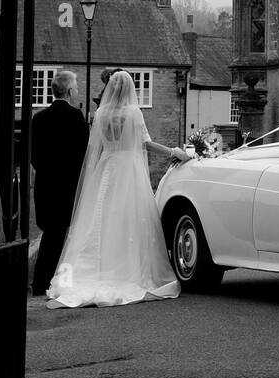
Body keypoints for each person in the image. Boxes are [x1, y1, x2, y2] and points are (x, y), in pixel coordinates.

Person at [47, 69, 189, 307]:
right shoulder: (133, 113)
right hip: (128, 169)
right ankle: (126, 270)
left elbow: (96, 148)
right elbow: (146, 144)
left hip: (107, 167)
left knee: (100, 218)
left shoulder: (101, 112)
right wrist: (173, 152)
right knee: (129, 218)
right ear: (130, 90)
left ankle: (93, 271)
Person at [30, 70, 88, 299]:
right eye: (76, 86)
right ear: (71, 90)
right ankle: (51, 283)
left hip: (45, 184)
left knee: (51, 233)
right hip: (67, 186)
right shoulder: (75, 116)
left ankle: (42, 282)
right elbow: (83, 153)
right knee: (60, 237)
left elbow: (34, 155)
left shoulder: (39, 118)